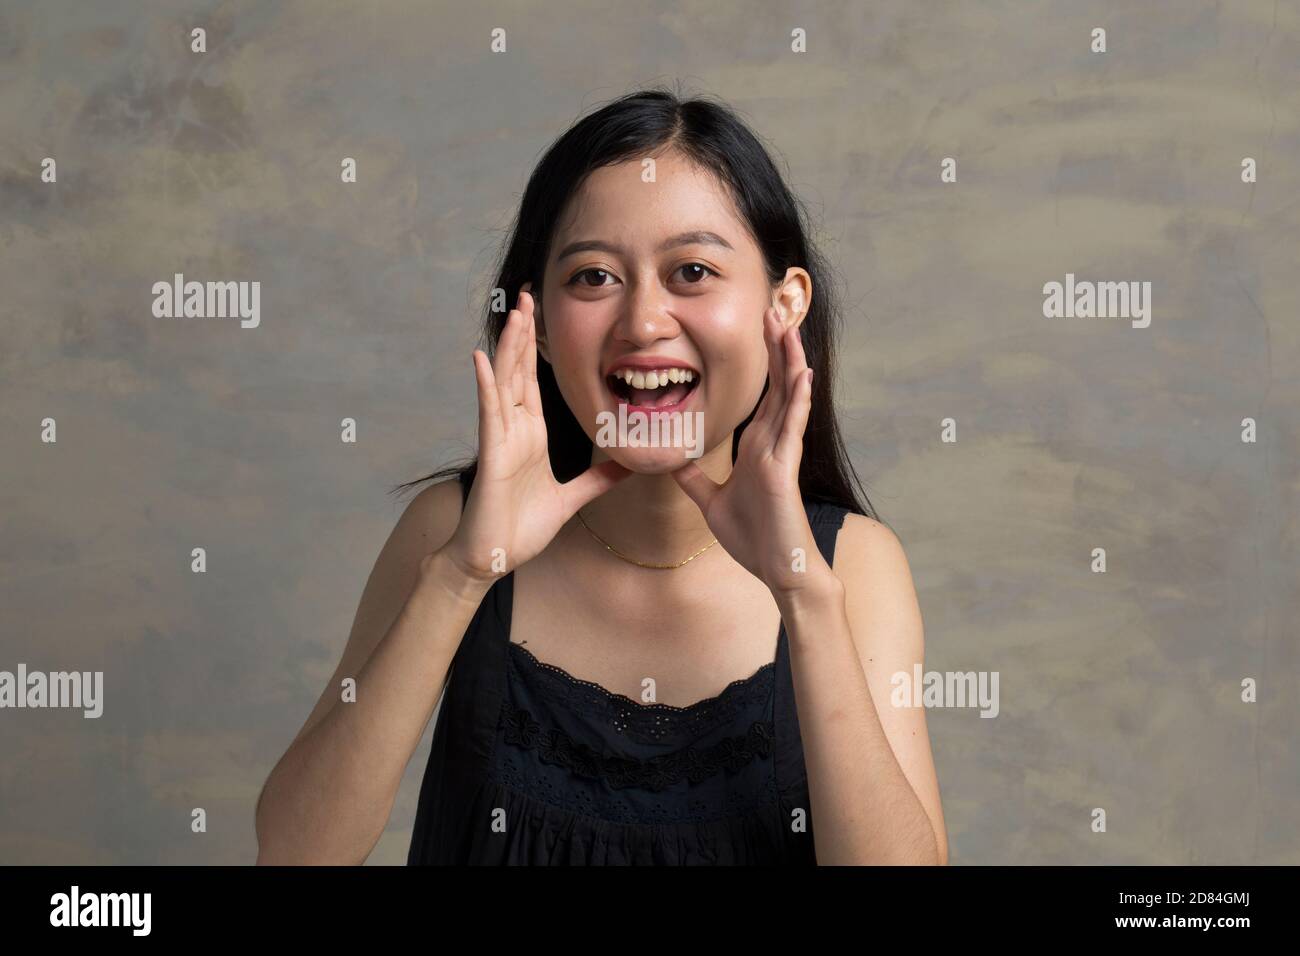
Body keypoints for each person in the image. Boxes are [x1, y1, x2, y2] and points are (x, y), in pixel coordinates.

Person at [255, 87, 947, 865]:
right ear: (540, 325)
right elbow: (293, 853)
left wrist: (801, 592)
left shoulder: (855, 565)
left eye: (692, 269)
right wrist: (458, 579)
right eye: (593, 278)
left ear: (783, 307)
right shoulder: (450, 531)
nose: (644, 322)